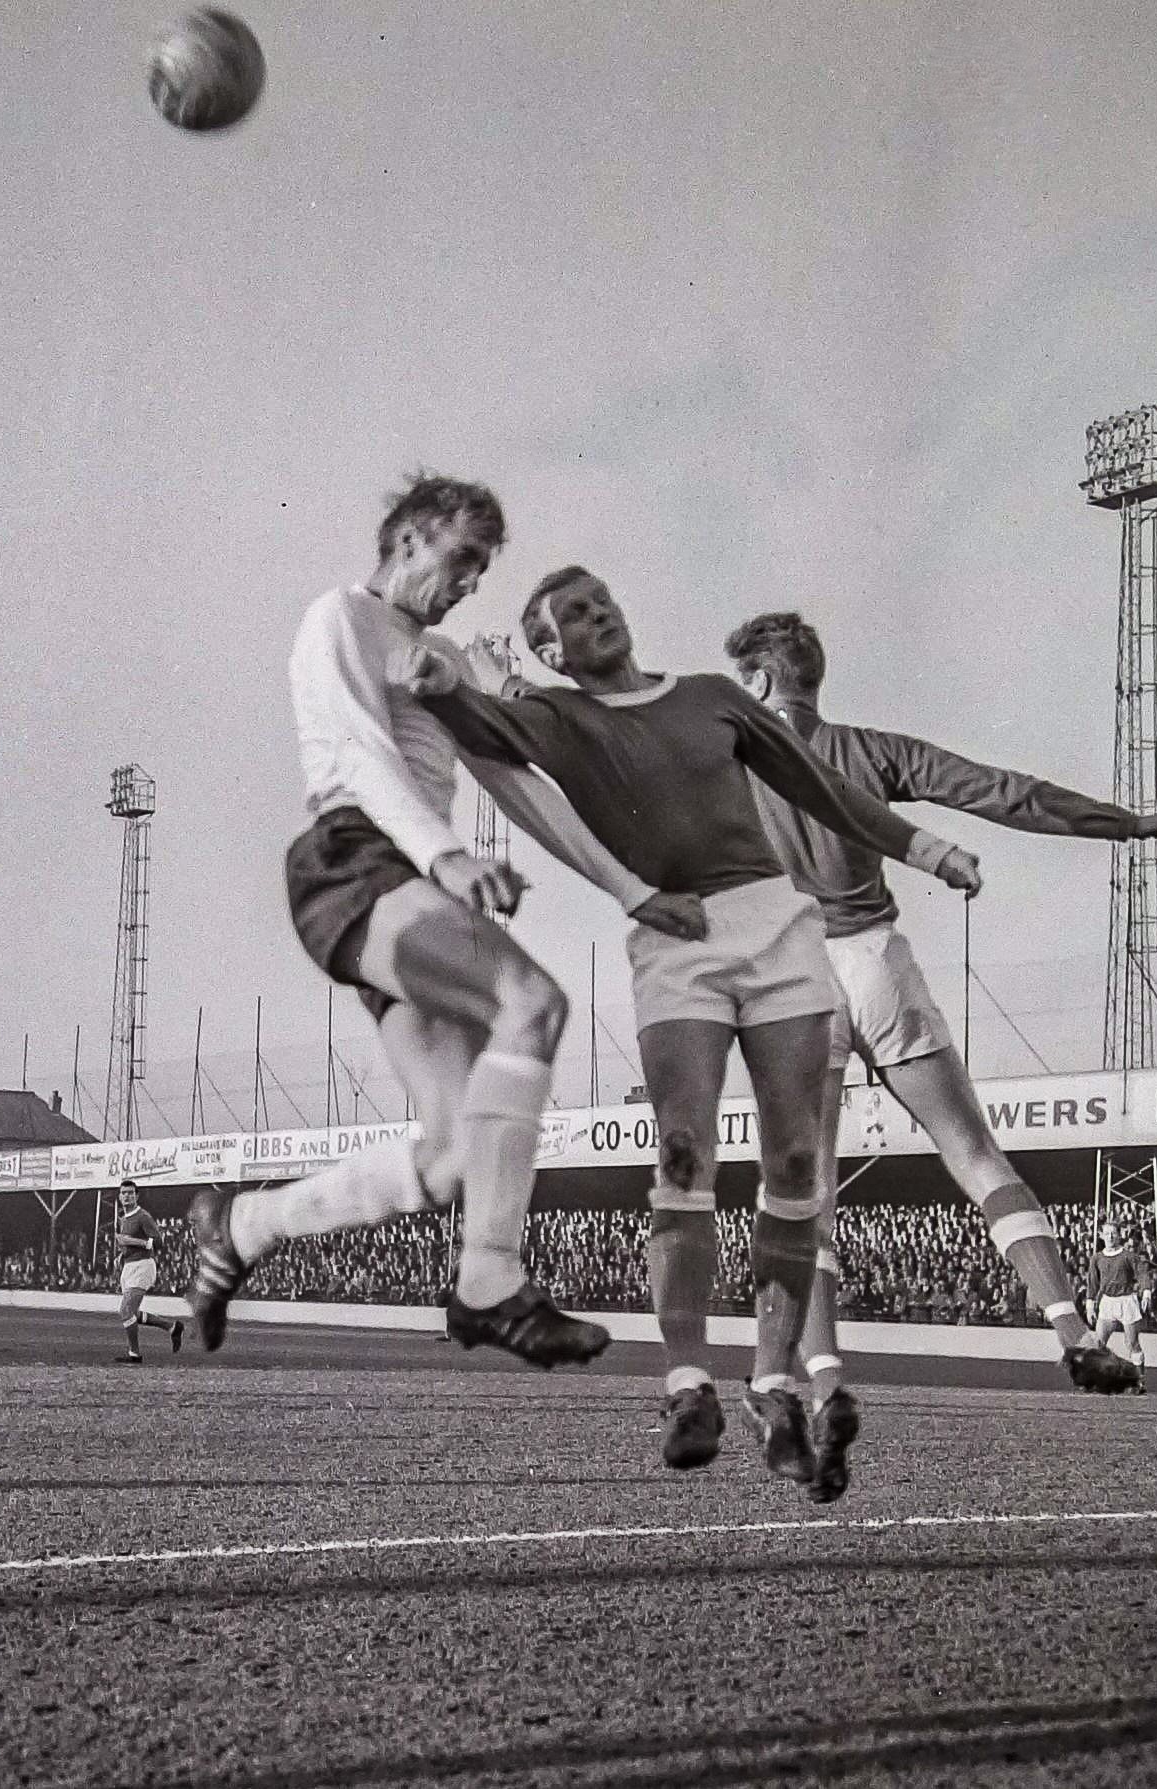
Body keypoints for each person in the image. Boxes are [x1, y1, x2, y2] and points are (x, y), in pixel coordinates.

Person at [401, 564, 977, 1484]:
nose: (600, 615)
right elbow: (481, 726)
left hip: (779, 928)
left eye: (600, 599)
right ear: (550, 650)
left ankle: (773, 1383)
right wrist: (445, 685)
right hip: (676, 937)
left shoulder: (711, 696)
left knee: (794, 1165)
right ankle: (685, 1382)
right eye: (575, 615)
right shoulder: (560, 716)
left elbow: (821, 789)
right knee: (683, 1151)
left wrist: (928, 846)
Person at [188, 474, 685, 1369]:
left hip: (405, 875)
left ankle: (243, 1223)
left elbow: (516, 786)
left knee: (454, 1153)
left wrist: (625, 887)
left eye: (480, 570)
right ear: (408, 539)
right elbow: (358, 754)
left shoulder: (439, 651)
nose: (466, 583)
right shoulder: (338, 616)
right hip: (353, 859)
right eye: (459, 560)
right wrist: (443, 854)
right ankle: (489, 1280)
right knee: (530, 1001)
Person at [724, 611, 1157, 1475]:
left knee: (804, 1193)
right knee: (974, 1152)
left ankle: (821, 1375)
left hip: (791, 982)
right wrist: (1128, 824)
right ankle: (1068, 1328)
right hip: (878, 961)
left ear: (761, 682)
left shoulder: (728, 762)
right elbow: (1003, 791)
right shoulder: (871, 751)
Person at [115, 1180, 183, 1362]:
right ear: (120, 1196)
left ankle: (134, 1354)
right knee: (131, 1313)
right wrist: (122, 1255)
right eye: (123, 1193)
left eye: (130, 1193)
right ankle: (172, 1327)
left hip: (142, 1266)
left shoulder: (143, 1216)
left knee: (126, 1311)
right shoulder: (124, 1218)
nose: (127, 1196)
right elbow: (127, 1243)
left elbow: (159, 1242)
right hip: (129, 1266)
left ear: (137, 1196)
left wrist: (132, 1241)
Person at [1087, 1220, 1157, 1392]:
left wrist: (1146, 1291)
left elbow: (1142, 1273)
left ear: (1119, 1235)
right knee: (1098, 1343)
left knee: (1132, 1343)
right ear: (1101, 1236)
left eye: (1114, 1233)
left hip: (1127, 1302)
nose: (1110, 1236)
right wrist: (1090, 1305)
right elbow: (1093, 1283)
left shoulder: (1128, 1256)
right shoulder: (1097, 1258)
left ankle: (1139, 1381)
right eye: (1107, 1233)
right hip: (1108, 1302)